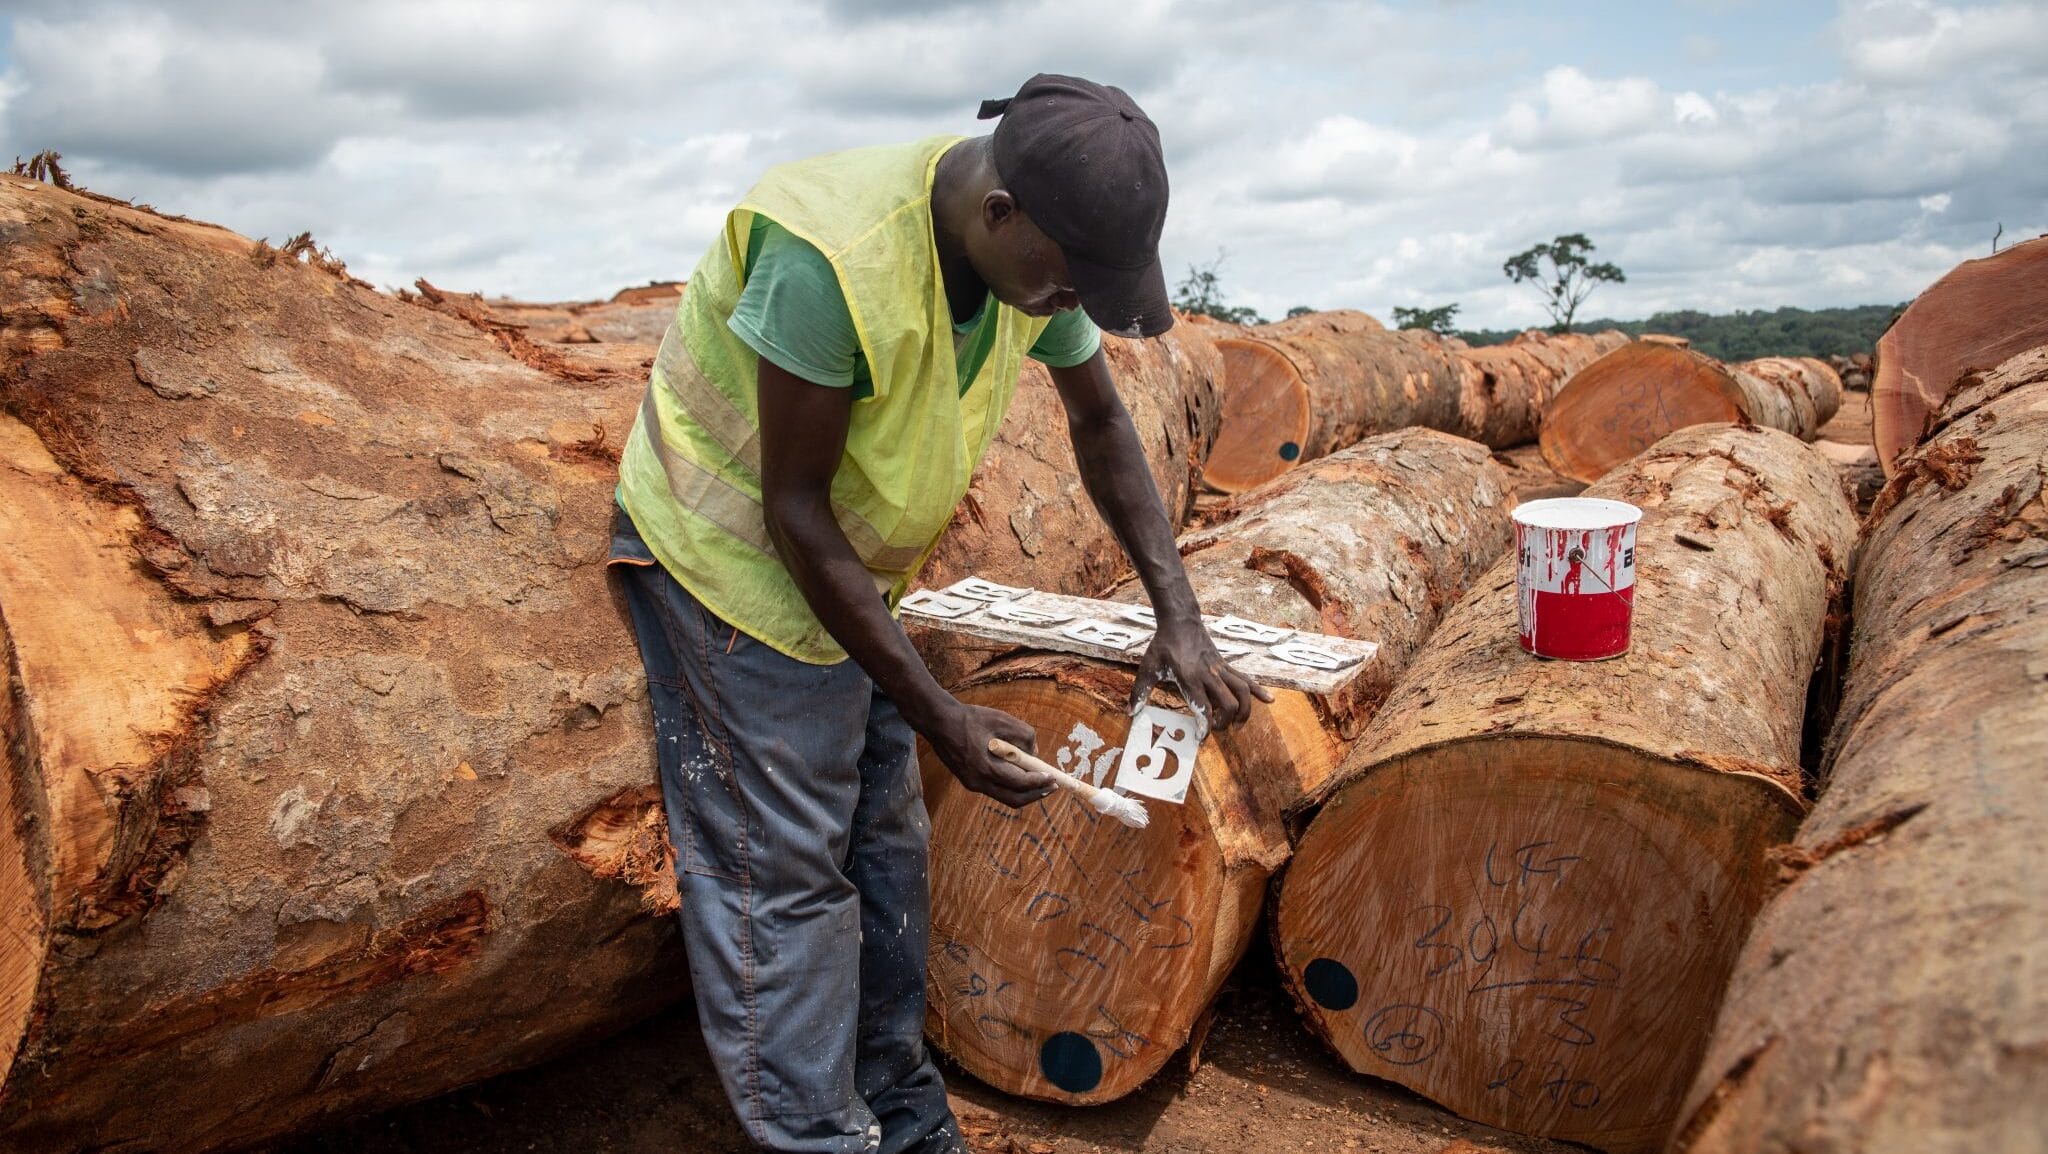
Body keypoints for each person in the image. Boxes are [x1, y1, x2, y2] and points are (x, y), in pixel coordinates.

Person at [606, 73, 1270, 1154]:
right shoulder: (833, 261)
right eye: (1063, 281)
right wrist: (935, 712)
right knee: (788, 880)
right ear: (998, 212)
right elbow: (790, 510)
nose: (1065, 305)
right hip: (730, 568)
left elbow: (1100, 423)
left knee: (886, 849)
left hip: (849, 580)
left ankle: (902, 1117)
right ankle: (820, 1136)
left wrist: (1178, 614)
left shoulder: (1017, 256)